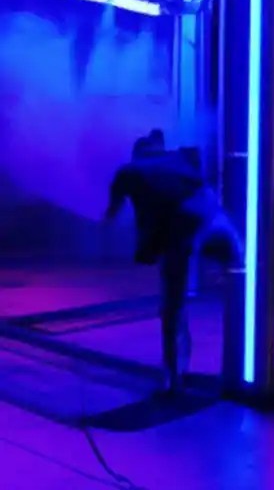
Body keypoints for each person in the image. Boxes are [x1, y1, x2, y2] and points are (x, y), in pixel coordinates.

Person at [104, 130, 239, 395]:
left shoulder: (128, 171)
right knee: (235, 267)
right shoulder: (178, 161)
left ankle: (173, 375)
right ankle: (200, 365)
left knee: (172, 307)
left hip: (181, 229)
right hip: (210, 215)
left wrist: (104, 225)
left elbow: (113, 212)